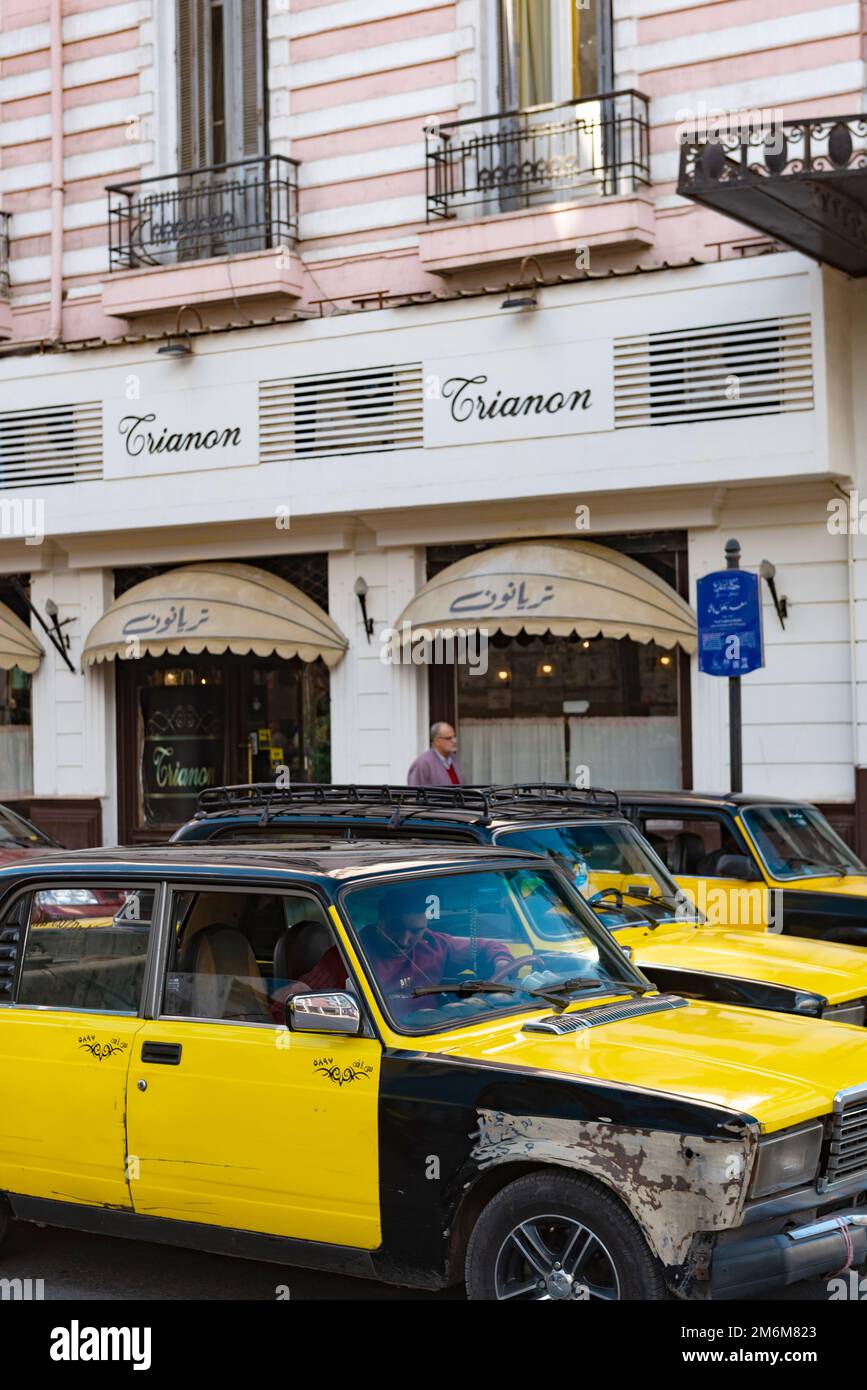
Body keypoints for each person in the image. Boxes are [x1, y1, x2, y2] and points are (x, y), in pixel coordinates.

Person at [299, 887, 512, 1020]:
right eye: (396, 928)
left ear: (425, 924)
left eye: (415, 931)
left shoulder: (434, 943)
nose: (404, 940)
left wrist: (502, 962)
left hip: (438, 1034)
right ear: (380, 920)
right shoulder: (347, 957)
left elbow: (487, 947)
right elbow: (295, 1001)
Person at [407, 721, 463, 786]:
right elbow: (416, 793)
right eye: (449, 738)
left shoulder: (454, 760)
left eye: (454, 737)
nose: (454, 741)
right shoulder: (422, 764)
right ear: (437, 741)